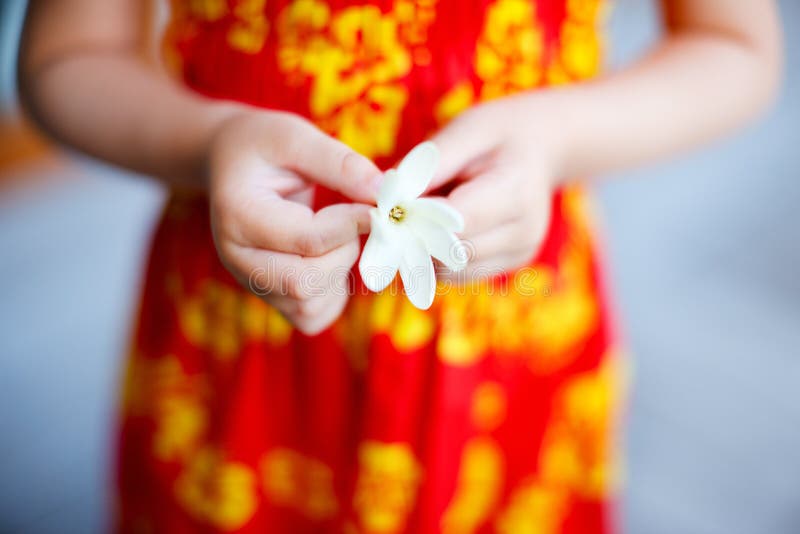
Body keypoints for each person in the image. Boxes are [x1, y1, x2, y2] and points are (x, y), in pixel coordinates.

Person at [18, 0, 781, 532]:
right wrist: (212, 141)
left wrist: (554, 138)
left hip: (506, 343)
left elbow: (736, 46)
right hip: (244, 330)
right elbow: (65, 56)